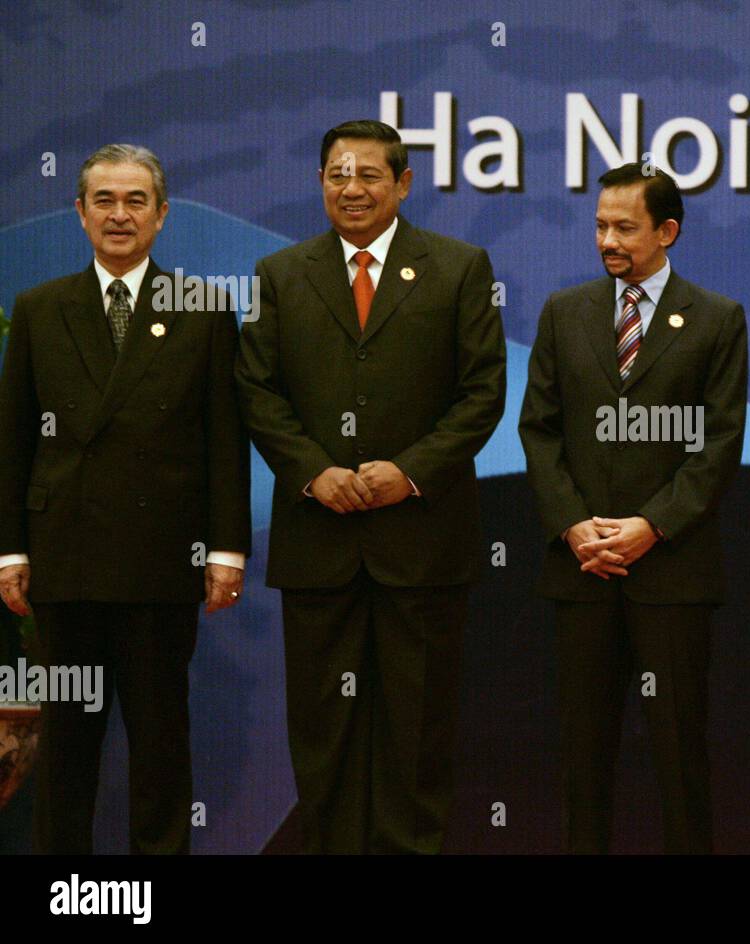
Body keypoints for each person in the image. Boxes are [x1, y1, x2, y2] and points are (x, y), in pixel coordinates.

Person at [235, 120, 506, 853]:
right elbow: (257, 392)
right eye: (336, 175)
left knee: (416, 732)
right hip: (320, 542)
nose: (351, 189)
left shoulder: (458, 267)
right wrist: (312, 471)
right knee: (324, 732)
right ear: (321, 182)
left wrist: (410, 470)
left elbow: (482, 395)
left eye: (368, 176)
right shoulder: (280, 275)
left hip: (421, 542)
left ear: (403, 183)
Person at [0, 144, 250, 853]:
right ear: (79, 214)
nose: (119, 214)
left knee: (161, 742)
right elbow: (14, 441)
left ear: (163, 215)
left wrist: (226, 549)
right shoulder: (41, 308)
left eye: (136, 200)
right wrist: (10, 549)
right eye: (104, 200)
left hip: (162, 562)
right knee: (69, 748)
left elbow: (224, 443)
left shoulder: (200, 308)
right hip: (65, 564)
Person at [518, 163, 747, 853]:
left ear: (667, 231)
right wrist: (573, 524)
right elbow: (540, 429)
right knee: (584, 757)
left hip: (671, 571)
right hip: (582, 569)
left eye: (625, 227)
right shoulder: (566, 312)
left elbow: (719, 441)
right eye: (600, 225)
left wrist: (654, 525)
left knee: (679, 756)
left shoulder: (715, 318)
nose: (608, 240)